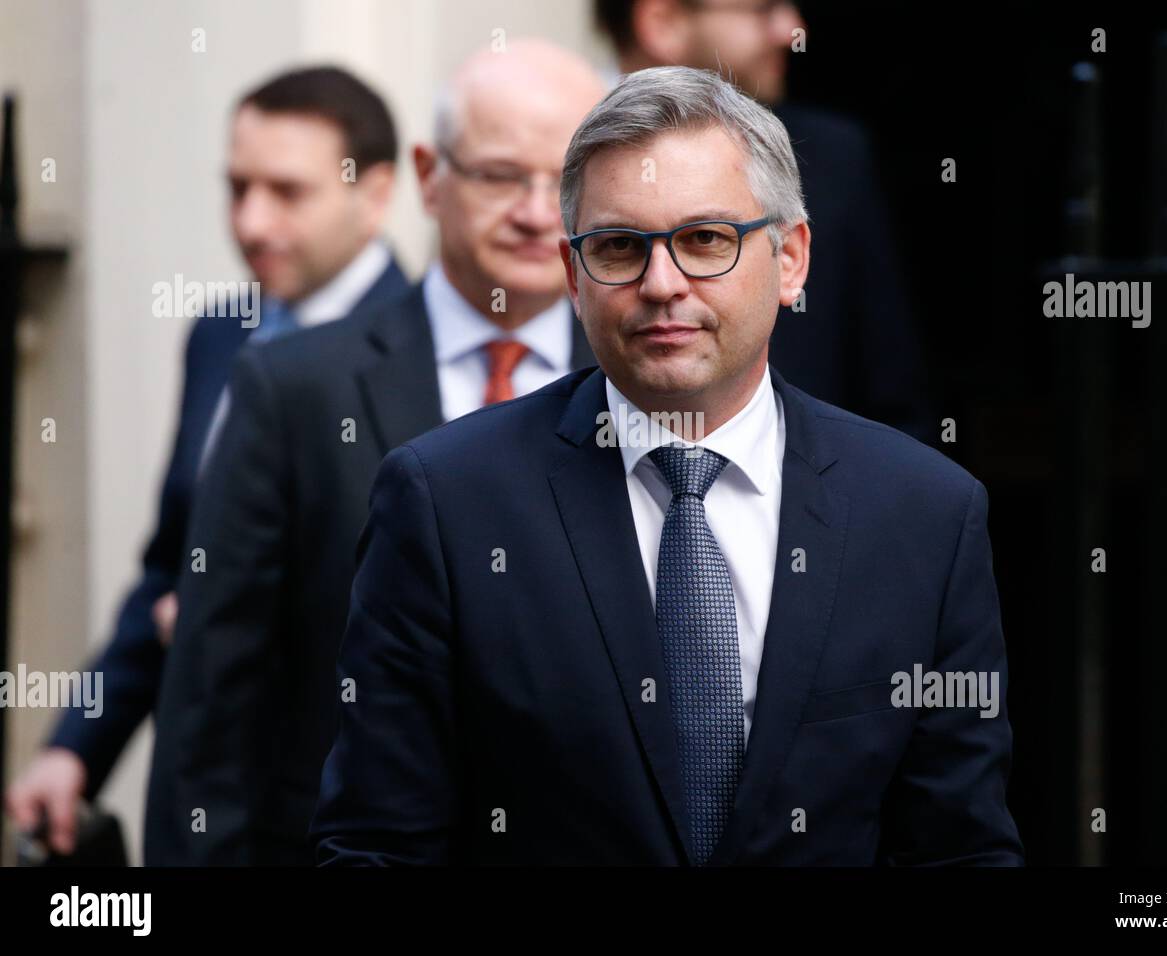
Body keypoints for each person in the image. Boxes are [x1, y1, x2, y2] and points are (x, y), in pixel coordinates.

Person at [310, 66, 1022, 866]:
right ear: (574, 274)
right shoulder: (446, 504)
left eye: (705, 240)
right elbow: (380, 845)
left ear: (790, 261)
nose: (661, 284)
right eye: (619, 247)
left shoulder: (923, 513)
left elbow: (958, 849)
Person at [144, 40, 609, 865]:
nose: (540, 212)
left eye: (568, 178)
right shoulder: (293, 388)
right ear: (429, 176)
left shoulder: (648, 383)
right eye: (502, 176)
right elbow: (213, 693)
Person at [3, 65, 406, 858]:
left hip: (342, 815)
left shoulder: (431, 356)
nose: (252, 221)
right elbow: (169, 567)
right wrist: (75, 747)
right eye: (237, 187)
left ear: (378, 191)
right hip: (204, 803)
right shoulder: (223, 334)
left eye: (288, 192)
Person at [594, 0, 933, 441]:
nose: (791, 28)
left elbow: (893, 392)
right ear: (663, 21)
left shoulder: (828, 159)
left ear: (793, 252)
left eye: (708, 236)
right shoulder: (536, 157)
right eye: (762, 8)